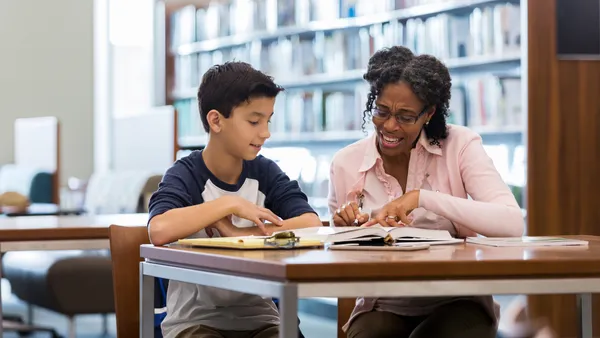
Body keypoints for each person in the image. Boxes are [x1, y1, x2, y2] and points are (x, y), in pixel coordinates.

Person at [328, 46, 525, 338]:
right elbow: (336, 253)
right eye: (382, 111)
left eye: (406, 116)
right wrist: (345, 229)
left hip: (458, 300)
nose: (390, 126)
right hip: (383, 303)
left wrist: (421, 198)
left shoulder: (460, 145)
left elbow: (511, 224)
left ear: (429, 113)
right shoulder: (347, 162)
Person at [148, 61, 321, 338]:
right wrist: (227, 204)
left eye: (268, 120)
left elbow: (311, 223)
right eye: (254, 121)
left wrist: (241, 235)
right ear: (216, 120)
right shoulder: (185, 174)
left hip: (260, 318)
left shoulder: (265, 171)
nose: (265, 133)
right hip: (195, 321)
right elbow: (158, 229)